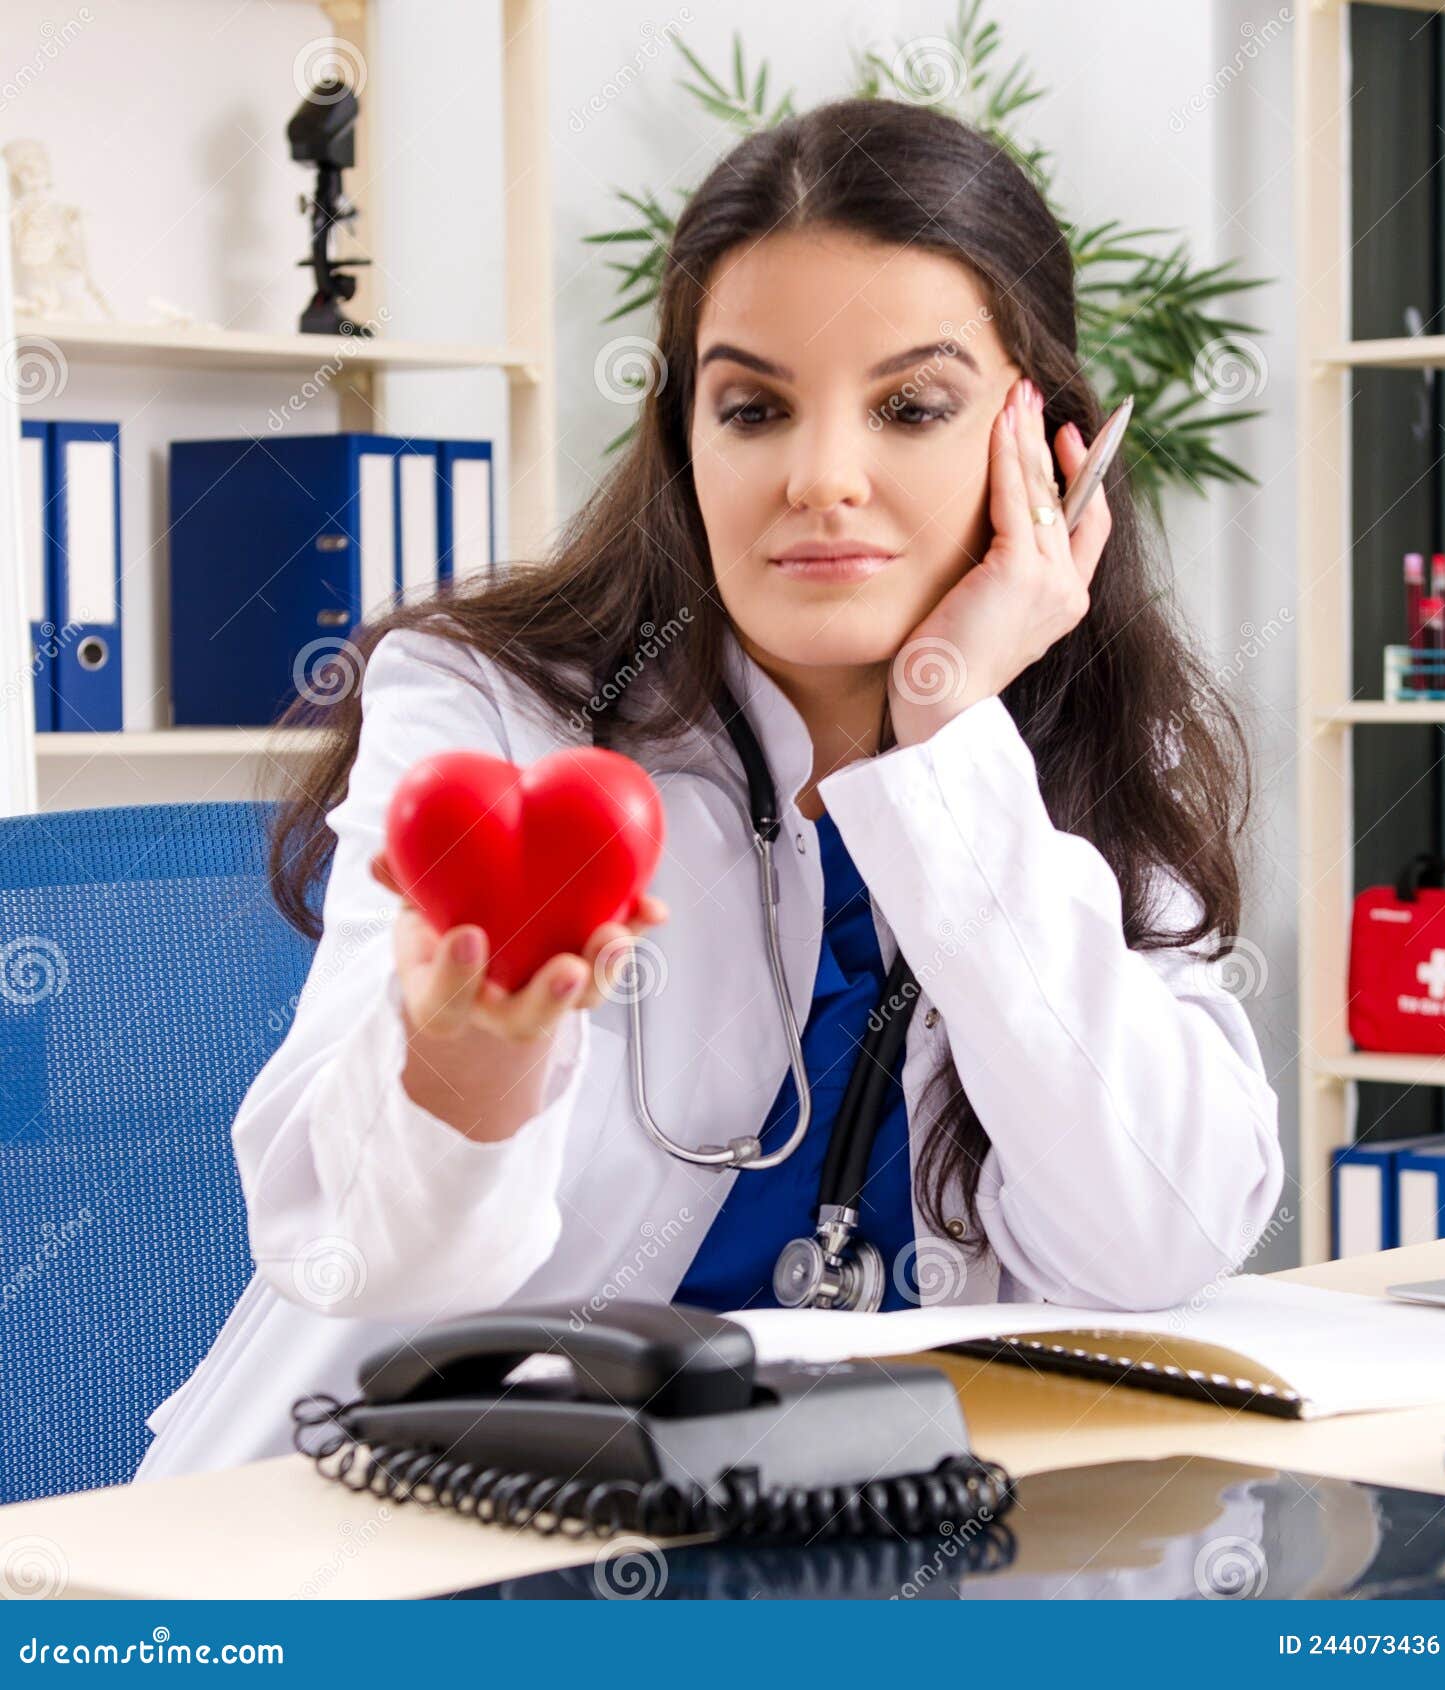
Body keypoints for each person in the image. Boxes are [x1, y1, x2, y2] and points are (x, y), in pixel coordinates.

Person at [135, 97, 1282, 1482]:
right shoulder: (486, 710)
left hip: (854, 1538)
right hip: (425, 1526)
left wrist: (942, 727)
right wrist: (468, 1057)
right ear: (685, 435)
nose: (820, 479)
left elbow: (1156, 1236)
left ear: (1046, 450)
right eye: (754, 408)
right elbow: (361, 1258)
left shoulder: (1078, 751)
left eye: (910, 408)